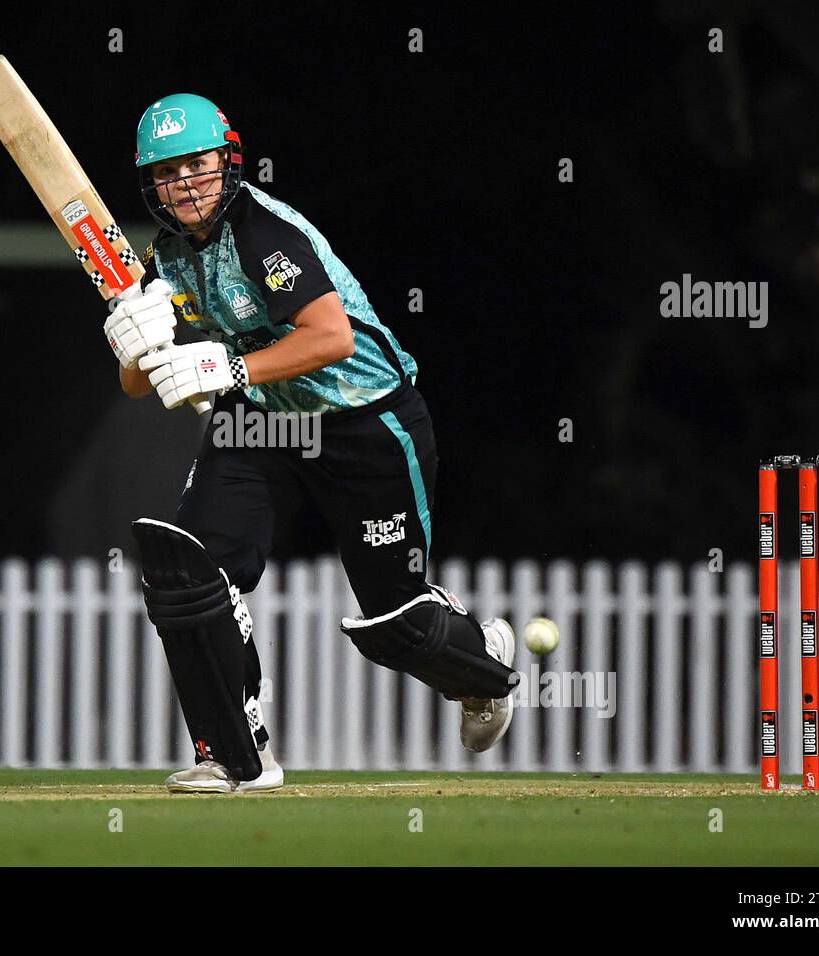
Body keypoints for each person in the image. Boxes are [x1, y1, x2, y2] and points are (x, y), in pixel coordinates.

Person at [104, 94, 518, 794]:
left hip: (367, 421)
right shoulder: (166, 254)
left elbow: (333, 339)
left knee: (397, 624)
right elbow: (141, 386)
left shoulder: (265, 233)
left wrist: (226, 366)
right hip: (265, 420)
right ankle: (236, 755)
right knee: (190, 570)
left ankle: (482, 670)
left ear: (228, 163)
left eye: (198, 166)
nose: (186, 185)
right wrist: (131, 347)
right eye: (169, 173)